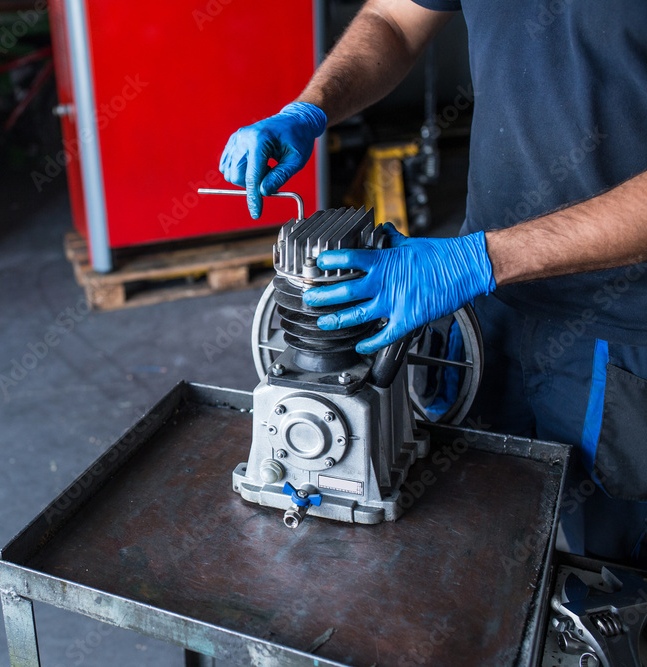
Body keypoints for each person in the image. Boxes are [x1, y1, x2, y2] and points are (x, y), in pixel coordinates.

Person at [220, 0, 647, 565]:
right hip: (482, 311)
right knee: (465, 542)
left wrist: (480, 259)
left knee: (614, 582)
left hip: (617, 335)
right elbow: (394, 21)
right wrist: (310, 108)